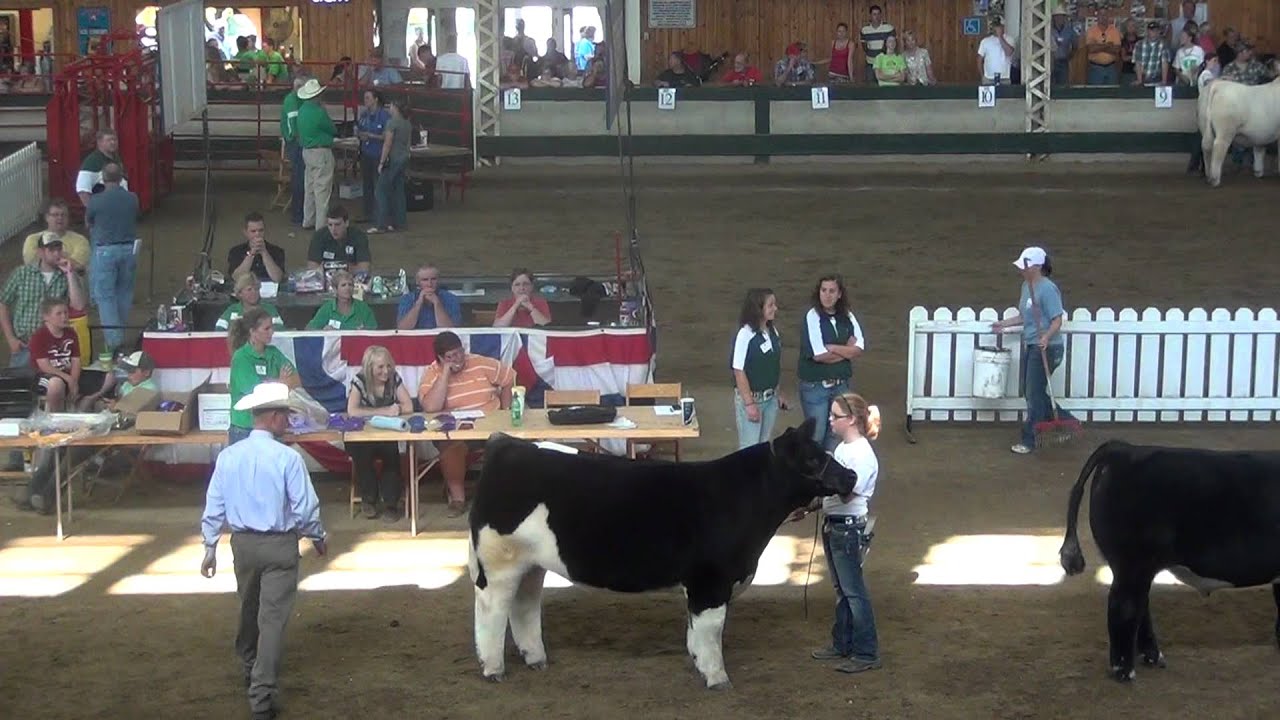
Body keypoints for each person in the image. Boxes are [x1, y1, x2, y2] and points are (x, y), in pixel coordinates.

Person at [200, 381, 327, 720]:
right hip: (279, 545)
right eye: (285, 414)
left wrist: (210, 545)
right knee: (272, 619)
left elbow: (215, 503)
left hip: (243, 543)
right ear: (273, 417)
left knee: (249, 605)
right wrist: (317, 537)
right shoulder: (288, 458)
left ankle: (247, 663)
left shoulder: (228, 457)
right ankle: (261, 692)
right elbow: (304, 508)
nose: (288, 420)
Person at [792, 392, 882, 675]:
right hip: (837, 526)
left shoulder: (862, 456)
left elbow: (844, 494)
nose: (830, 421)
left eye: (835, 416)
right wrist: (809, 506)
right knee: (843, 591)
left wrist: (819, 489)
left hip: (848, 528)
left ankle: (866, 651)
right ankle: (842, 643)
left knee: (853, 592)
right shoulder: (843, 450)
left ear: (852, 419)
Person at [990, 246, 1078, 455]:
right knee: (1034, 392)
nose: (1021, 270)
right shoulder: (1026, 286)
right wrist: (1003, 324)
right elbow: (1025, 316)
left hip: (1047, 348)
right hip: (1032, 345)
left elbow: (1057, 319)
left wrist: (1046, 337)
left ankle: (1029, 439)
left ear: (1037, 266)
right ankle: (1068, 421)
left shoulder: (1048, 289)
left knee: (1033, 393)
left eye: (1025, 266)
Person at [418, 331, 514, 516]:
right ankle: (458, 500)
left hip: (488, 425)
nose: (458, 359)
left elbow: (509, 378)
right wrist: (445, 373)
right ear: (440, 358)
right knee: (451, 447)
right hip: (454, 430)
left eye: (460, 352)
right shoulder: (432, 372)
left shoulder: (480, 362)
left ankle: (502, 498)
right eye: (450, 356)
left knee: (507, 446)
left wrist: (505, 412)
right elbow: (430, 407)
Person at [797, 274, 865, 451]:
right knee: (816, 436)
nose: (827, 295)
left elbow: (859, 347)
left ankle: (828, 474)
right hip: (816, 387)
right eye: (823, 290)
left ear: (839, 294)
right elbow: (818, 354)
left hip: (840, 385)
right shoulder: (812, 316)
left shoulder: (848, 316)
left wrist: (833, 348)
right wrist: (846, 352)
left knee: (837, 434)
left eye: (832, 291)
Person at [345, 345, 413, 520]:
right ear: (370, 368)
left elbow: (409, 406)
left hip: (386, 434)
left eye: (388, 366)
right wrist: (384, 411)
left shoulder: (394, 379)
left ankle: (391, 504)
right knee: (362, 455)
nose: (386, 371)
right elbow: (352, 411)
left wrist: (396, 410)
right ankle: (369, 500)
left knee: (392, 456)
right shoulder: (359, 381)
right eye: (380, 367)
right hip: (362, 436)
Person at [2, 232, 87, 368]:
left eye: (59, 249)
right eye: (51, 250)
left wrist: (70, 273)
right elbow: (3, 302)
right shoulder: (22, 273)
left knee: (54, 384)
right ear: (40, 252)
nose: (56, 254)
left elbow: (78, 305)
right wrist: (11, 338)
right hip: (24, 344)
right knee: (20, 384)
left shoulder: (66, 275)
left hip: (54, 346)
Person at [85, 162, 139, 355]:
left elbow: (89, 222)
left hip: (105, 250)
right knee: (124, 293)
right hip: (129, 249)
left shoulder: (96, 200)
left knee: (105, 296)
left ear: (103, 177)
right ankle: (118, 335)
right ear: (121, 177)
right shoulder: (132, 198)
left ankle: (114, 342)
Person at [28, 296, 115, 412]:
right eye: (58, 314)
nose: (64, 317)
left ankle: (88, 400)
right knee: (56, 384)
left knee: (110, 377)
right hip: (47, 375)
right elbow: (44, 366)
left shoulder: (71, 333)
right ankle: (57, 416)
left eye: (65, 312)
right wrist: (69, 379)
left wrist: (73, 380)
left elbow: (76, 361)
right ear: (46, 317)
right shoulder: (39, 336)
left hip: (70, 374)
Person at [227, 307, 299, 446]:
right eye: (266, 329)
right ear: (252, 332)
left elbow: (296, 380)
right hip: (244, 428)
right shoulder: (241, 357)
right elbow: (256, 393)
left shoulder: (274, 353)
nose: (271, 332)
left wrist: (270, 384)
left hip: (272, 428)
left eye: (271, 327)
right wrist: (281, 381)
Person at [730, 288, 788, 450]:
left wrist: (778, 391)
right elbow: (738, 370)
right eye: (770, 305)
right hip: (753, 399)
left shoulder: (772, 331)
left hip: (771, 399)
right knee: (750, 450)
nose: (775, 308)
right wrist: (749, 404)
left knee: (763, 446)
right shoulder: (745, 335)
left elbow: (773, 365)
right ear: (758, 308)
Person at [295, 78, 336, 231]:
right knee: (322, 189)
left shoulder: (302, 111)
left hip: (307, 151)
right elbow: (332, 129)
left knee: (310, 187)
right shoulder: (319, 112)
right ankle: (321, 225)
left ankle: (308, 219)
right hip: (321, 151)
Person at [372, 99, 412, 234]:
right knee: (398, 191)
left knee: (381, 190)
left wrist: (382, 162)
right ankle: (400, 222)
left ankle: (381, 224)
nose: (389, 108)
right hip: (403, 158)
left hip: (393, 159)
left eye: (391, 106)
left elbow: (387, 144)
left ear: (395, 108)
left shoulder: (392, 123)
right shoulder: (407, 123)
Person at [280, 73, 311, 226]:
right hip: (296, 142)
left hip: (296, 141)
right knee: (300, 178)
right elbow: (293, 125)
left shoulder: (295, 100)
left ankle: (299, 213)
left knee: (300, 177)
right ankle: (298, 214)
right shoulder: (293, 101)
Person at [355, 89, 389, 223]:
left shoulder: (384, 116)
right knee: (367, 184)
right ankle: (368, 213)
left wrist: (370, 135)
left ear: (376, 99)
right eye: (365, 98)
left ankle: (380, 215)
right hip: (366, 153)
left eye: (368, 98)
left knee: (379, 185)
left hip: (378, 154)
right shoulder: (364, 115)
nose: (365, 101)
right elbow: (358, 128)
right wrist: (358, 133)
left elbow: (386, 136)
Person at [306, 205, 371, 273]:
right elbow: (312, 267)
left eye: (337, 224)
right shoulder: (319, 236)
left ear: (346, 223)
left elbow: (365, 268)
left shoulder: (358, 237)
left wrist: (337, 269)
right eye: (330, 225)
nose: (333, 229)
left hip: (351, 278)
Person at [227, 211, 286, 283]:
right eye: (253, 231)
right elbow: (236, 278)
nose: (257, 234)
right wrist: (251, 254)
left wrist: (264, 253)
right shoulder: (236, 251)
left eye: (261, 230)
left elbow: (277, 278)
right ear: (245, 232)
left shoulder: (277, 251)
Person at [306, 270, 377, 330]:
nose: (347, 288)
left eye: (350, 285)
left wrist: (364, 331)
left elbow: (374, 333)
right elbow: (309, 330)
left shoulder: (363, 308)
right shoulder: (327, 308)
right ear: (335, 289)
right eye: (343, 285)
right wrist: (323, 331)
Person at [396, 263, 460, 329]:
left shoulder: (451, 299)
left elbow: (451, 330)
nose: (429, 284)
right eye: (425, 280)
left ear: (438, 280)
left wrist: (437, 304)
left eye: (433, 279)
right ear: (417, 282)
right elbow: (402, 328)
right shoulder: (407, 299)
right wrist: (418, 304)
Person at [217, 272, 286, 331]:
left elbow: (280, 329)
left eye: (256, 289)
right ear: (240, 293)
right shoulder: (232, 310)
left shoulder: (269, 309)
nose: (254, 292)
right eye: (249, 289)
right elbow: (219, 329)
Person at [75, 129, 128, 206]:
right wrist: (93, 211)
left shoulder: (117, 158)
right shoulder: (92, 162)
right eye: (109, 140)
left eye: (115, 140)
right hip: (105, 209)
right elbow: (82, 190)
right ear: (100, 142)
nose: (113, 142)